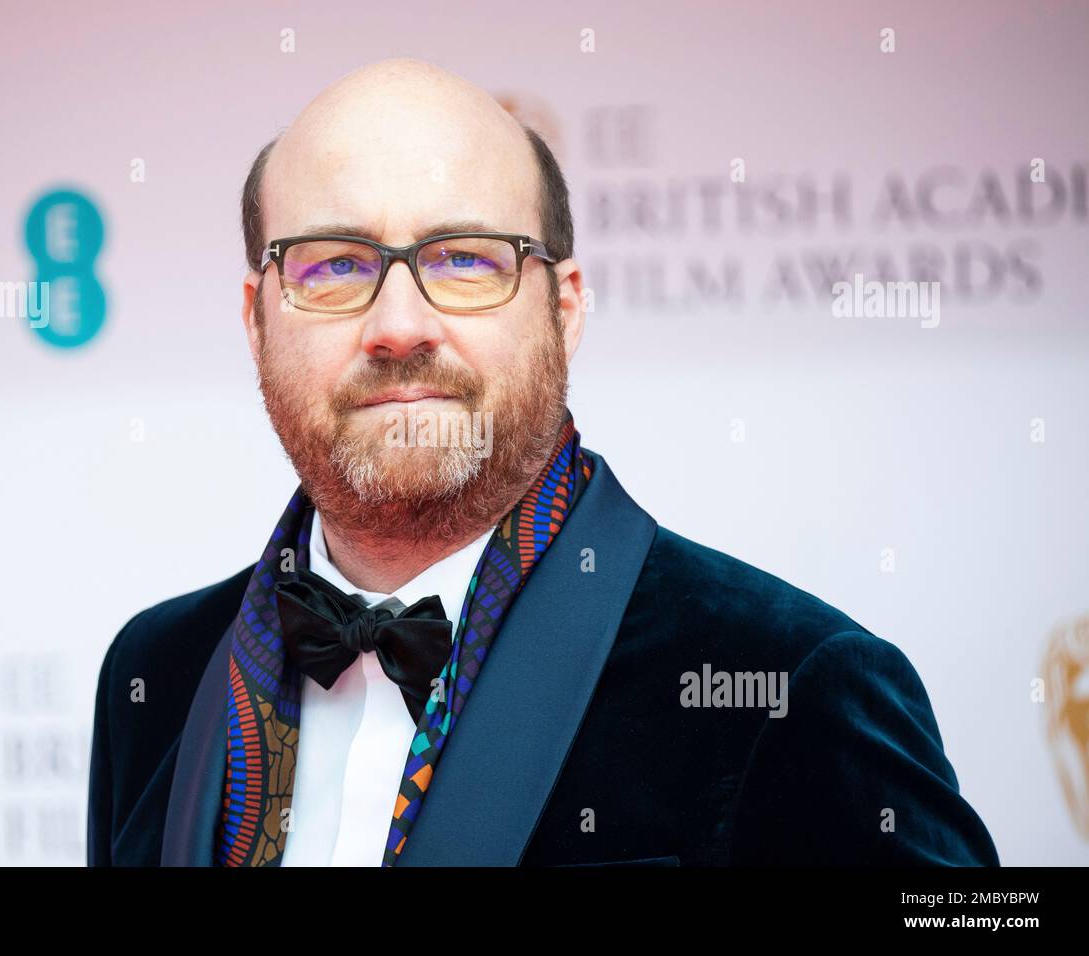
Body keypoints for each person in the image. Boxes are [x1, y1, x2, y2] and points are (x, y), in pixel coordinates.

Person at [86, 57, 999, 867]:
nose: (400, 327)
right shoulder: (154, 675)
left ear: (564, 308)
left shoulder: (791, 687)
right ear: (255, 318)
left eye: (467, 260)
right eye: (333, 267)